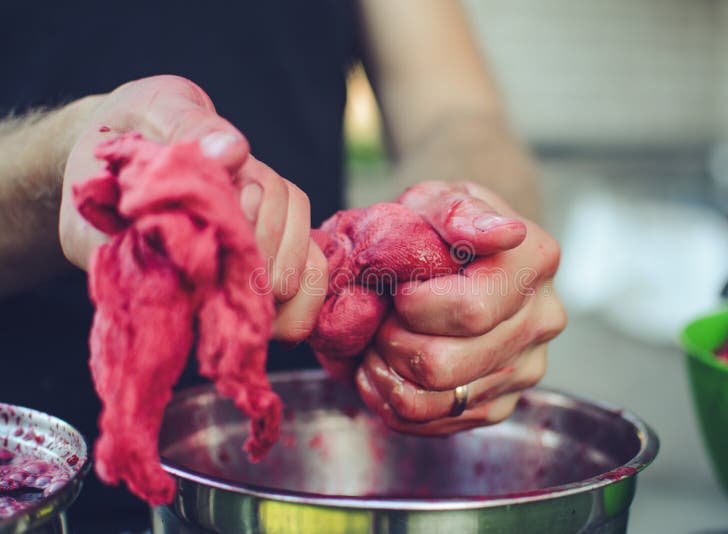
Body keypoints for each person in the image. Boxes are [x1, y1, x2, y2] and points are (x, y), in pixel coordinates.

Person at [0, 0, 565, 528]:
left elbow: (455, 112)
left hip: (296, 461)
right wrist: (56, 167)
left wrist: (464, 235)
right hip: (25, 469)